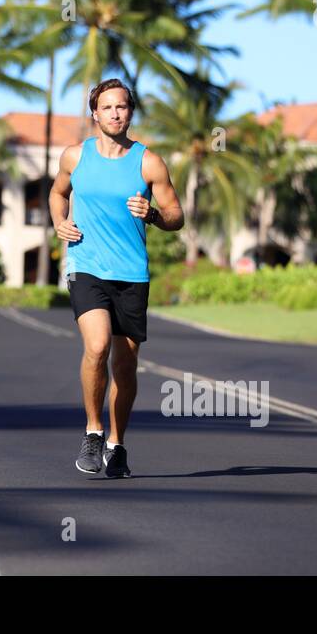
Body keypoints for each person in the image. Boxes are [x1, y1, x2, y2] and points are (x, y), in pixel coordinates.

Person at [49, 79, 184, 477]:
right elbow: (58, 193)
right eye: (107, 107)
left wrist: (153, 214)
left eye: (122, 107)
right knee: (97, 345)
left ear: (130, 112)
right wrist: (60, 222)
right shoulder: (75, 157)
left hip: (131, 273)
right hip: (86, 265)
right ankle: (93, 432)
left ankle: (116, 444)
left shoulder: (148, 162)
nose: (115, 113)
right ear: (95, 113)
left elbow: (177, 216)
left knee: (125, 366)